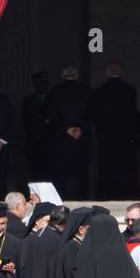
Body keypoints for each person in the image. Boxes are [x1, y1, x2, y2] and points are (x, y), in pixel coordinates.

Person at [93, 62, 140, 199]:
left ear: (107, 73)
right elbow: (132, 114)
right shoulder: (130, 89)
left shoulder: (100, 90)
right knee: (124, 170)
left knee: (107, 170)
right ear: (120, 73)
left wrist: (99, 133)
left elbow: (97, 115)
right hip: (124, 137)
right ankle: (124, 195)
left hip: (106, 137)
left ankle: (107, 195)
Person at [47, 65, 93, 198]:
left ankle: (60, 208)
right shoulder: (87, 91)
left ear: (63, 75)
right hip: (81, 139)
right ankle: (83, 206)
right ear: (76, 75)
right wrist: (81, 128)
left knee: (60, 177)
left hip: (62, 140)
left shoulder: (55, 91)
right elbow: (92, 115)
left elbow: (52, 115)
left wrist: (67, 129)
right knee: (82, 177)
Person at [21, 71, 53, 181]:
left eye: (43, 84)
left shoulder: (53, 100)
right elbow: (25, 122)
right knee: (34, 174)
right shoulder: (27, 101)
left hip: (49, 144)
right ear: (34, 85)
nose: (41, 87)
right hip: (33, 143)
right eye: (38, 84)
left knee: (49, 174)